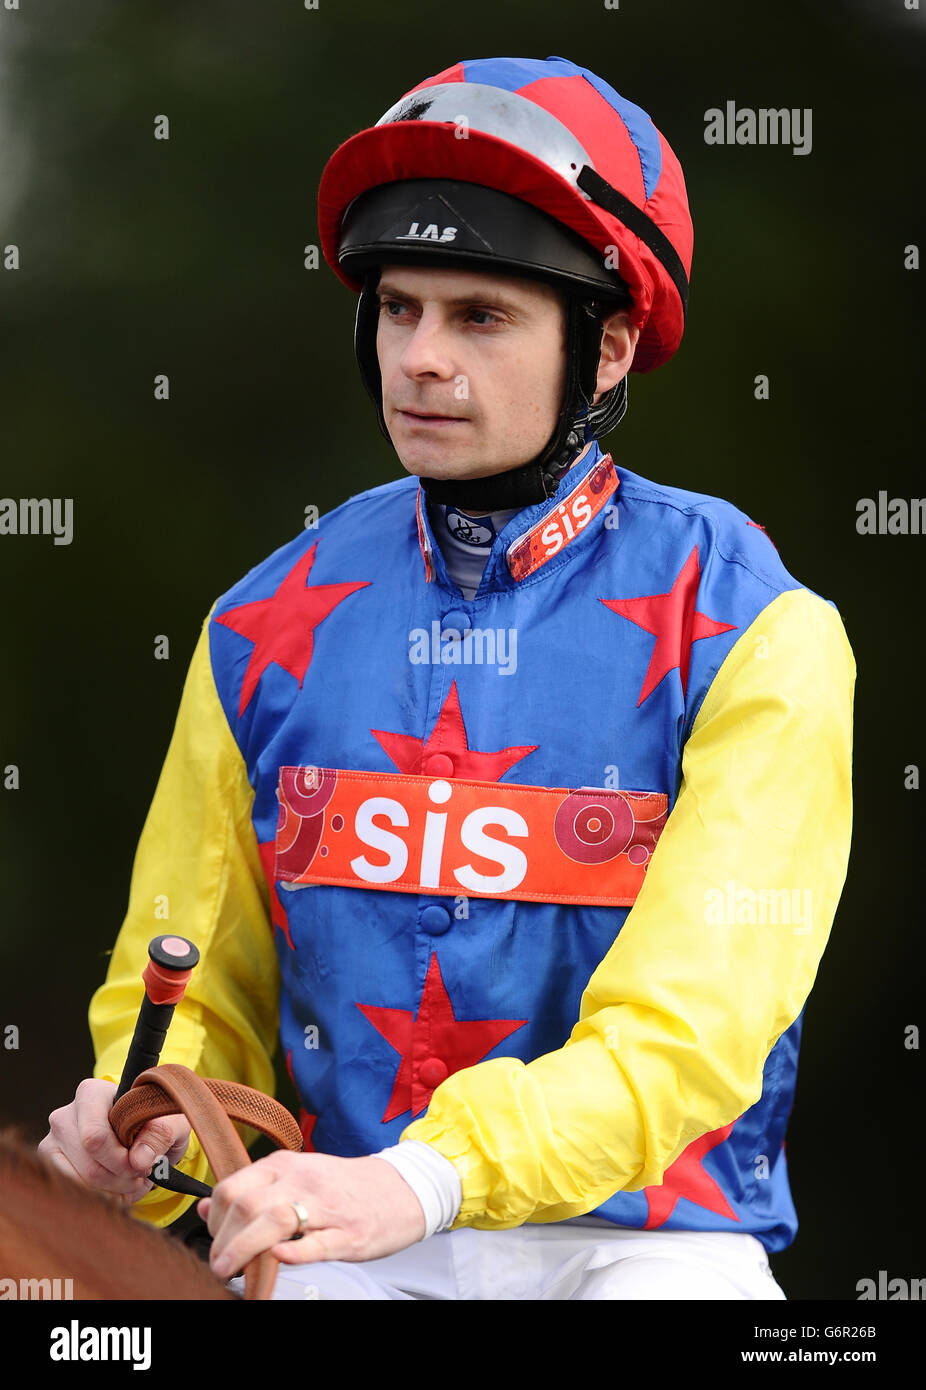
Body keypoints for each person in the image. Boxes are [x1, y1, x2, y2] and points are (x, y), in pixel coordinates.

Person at [39, 55, 855, 1300]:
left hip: (648, 1248)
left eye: (480, 315)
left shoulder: (756, 628)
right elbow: (189, 982)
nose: (418, 357)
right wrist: (146, 1125)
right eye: (398, 306)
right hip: (332, 1242)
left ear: (610, 346)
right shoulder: (259, 620)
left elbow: (688, 1035)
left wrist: (418, 1180)